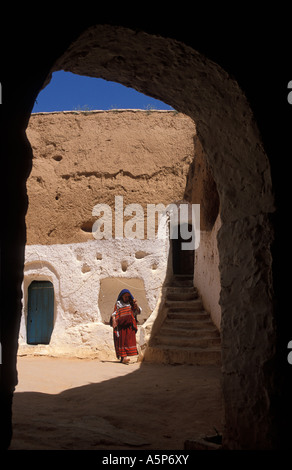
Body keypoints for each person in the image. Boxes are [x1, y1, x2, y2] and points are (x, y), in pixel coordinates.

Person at [110, 288, 141, 364]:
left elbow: (138, 311)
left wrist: (136, 305)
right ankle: (123, 358)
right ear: (122, 297)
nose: (126, 298)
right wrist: (114, 321)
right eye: (125, 297)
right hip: (121, 327)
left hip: (129, 327)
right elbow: (114, 313)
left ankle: (124, 357)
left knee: (127, 342)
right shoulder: (118, 304)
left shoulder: (131, 303)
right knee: (121, 342)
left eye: (128, 297)